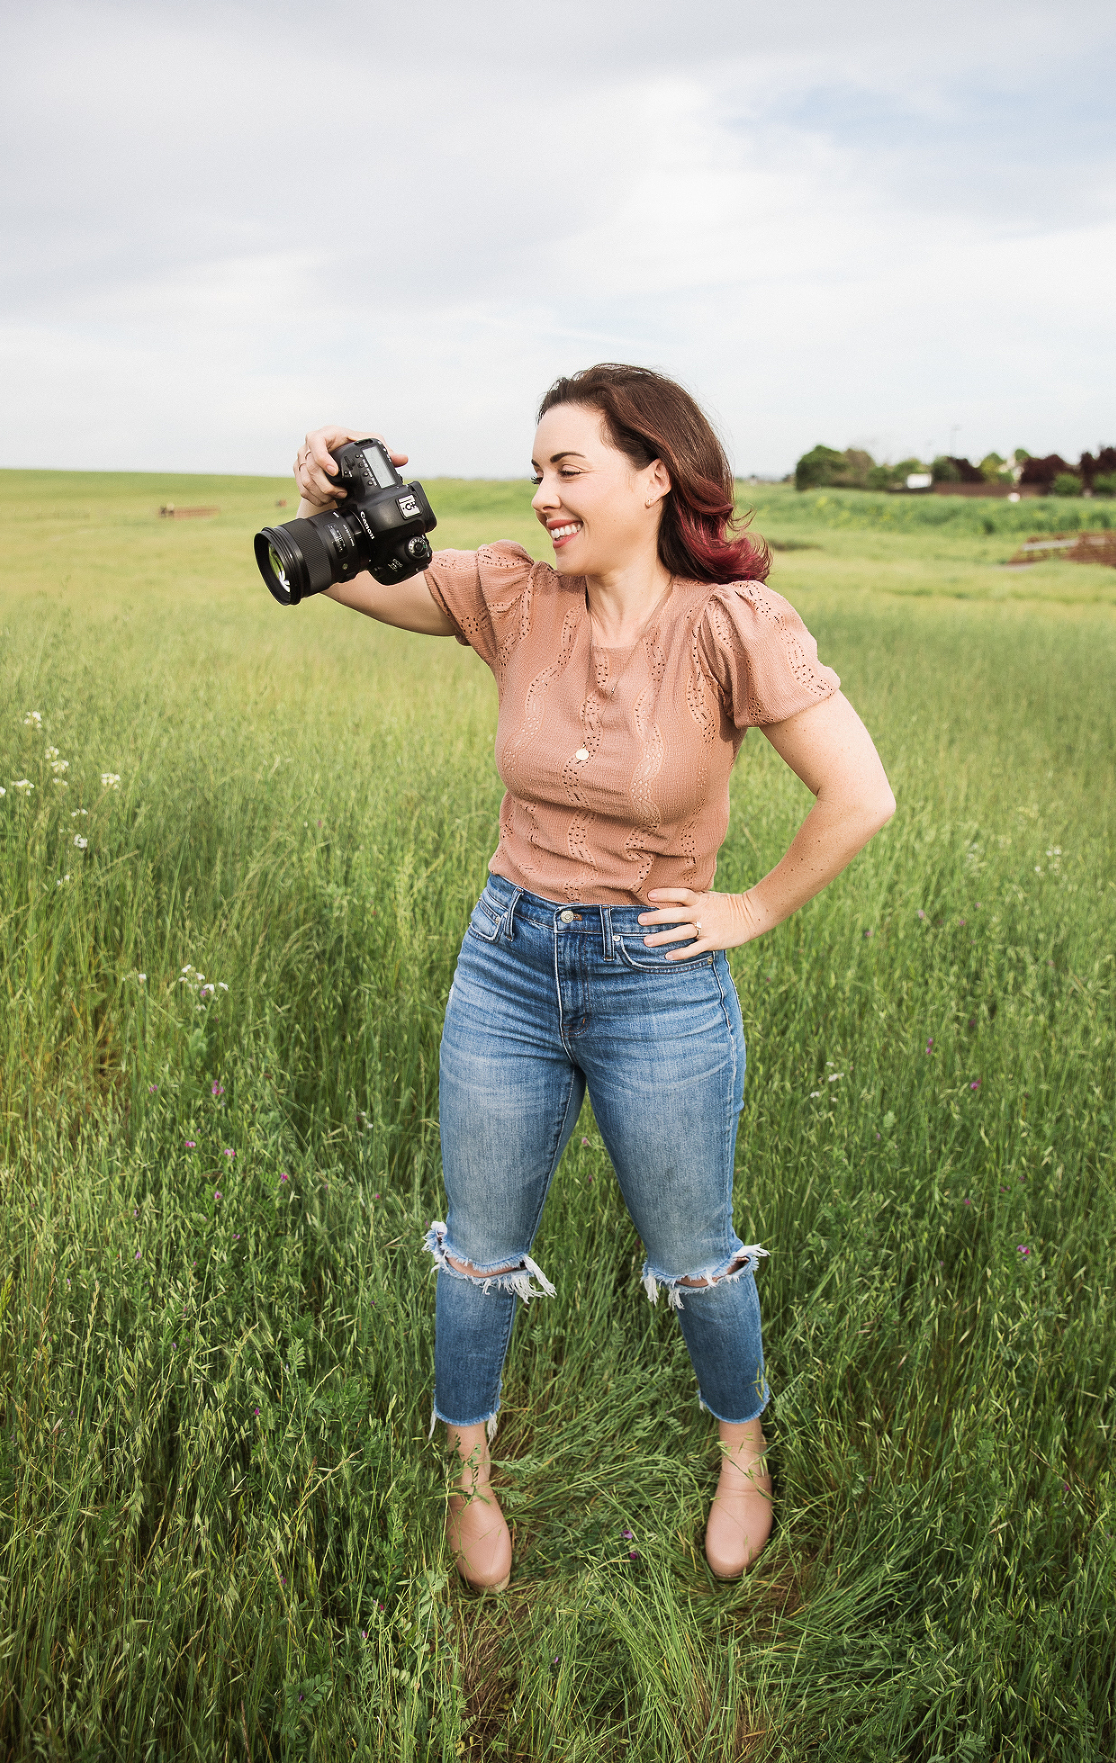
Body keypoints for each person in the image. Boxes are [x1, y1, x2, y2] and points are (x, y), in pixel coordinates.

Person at [293, 364, 895, 1593]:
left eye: (568, 469)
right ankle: (468, 1472)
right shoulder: (512, 595)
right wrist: (321, 496)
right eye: (537, 472)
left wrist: (751, 907)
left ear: (653, 476)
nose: (544, 496)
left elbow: (862, 795)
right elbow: (339, 579)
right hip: (507, 963)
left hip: (657, 982)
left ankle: (743, 1455)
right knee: (477, 1250)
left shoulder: (737, 628)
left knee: (694, 1255)